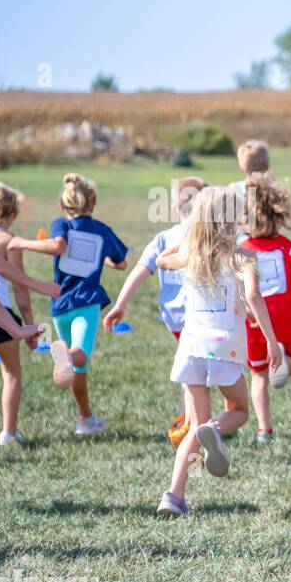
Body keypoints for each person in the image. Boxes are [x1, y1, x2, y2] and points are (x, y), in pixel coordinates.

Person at [155, 185, 282, 517]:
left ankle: (173, 495)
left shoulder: (191, 255)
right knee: (239, 410)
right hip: (224, 349)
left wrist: (187, 241)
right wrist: (270, 340)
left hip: (191, 348)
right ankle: (215, 429)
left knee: (195, 426)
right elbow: (253, 296)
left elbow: (161, 260)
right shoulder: (243, 257)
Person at [9, 173, 128, 436]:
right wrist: (102, 257)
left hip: (60, 306)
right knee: (79, 355)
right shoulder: (102, 230)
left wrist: (25, 243)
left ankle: (86, 419)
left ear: (63, 206)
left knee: (77, 369)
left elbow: (58, 244)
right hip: (86, 303)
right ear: (93, 203)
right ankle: (65, 353)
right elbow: (121, 263)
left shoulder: (59, 224)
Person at [105, 175, 205, 446]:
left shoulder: (163, 237)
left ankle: (190, 420)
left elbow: (140, 270)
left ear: (175, 209)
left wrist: (120, 305)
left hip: (174, 319)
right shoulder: (206, 236)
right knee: (198, 374)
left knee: (193, 371)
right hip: (201, 318)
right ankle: (194, 426)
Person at [239, 173, 291, 443]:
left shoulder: (242, 250)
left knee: (258, 376)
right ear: (279, 218)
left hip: (255, 321)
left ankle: (264, 429)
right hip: (287, 320)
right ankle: (284, 362)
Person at [0, 182, 61, 446]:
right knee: (11, 374)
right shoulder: (10, 241)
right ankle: (9, 434)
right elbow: (20, 287)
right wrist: (32, 325)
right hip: (4, 315)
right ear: (13, 213)